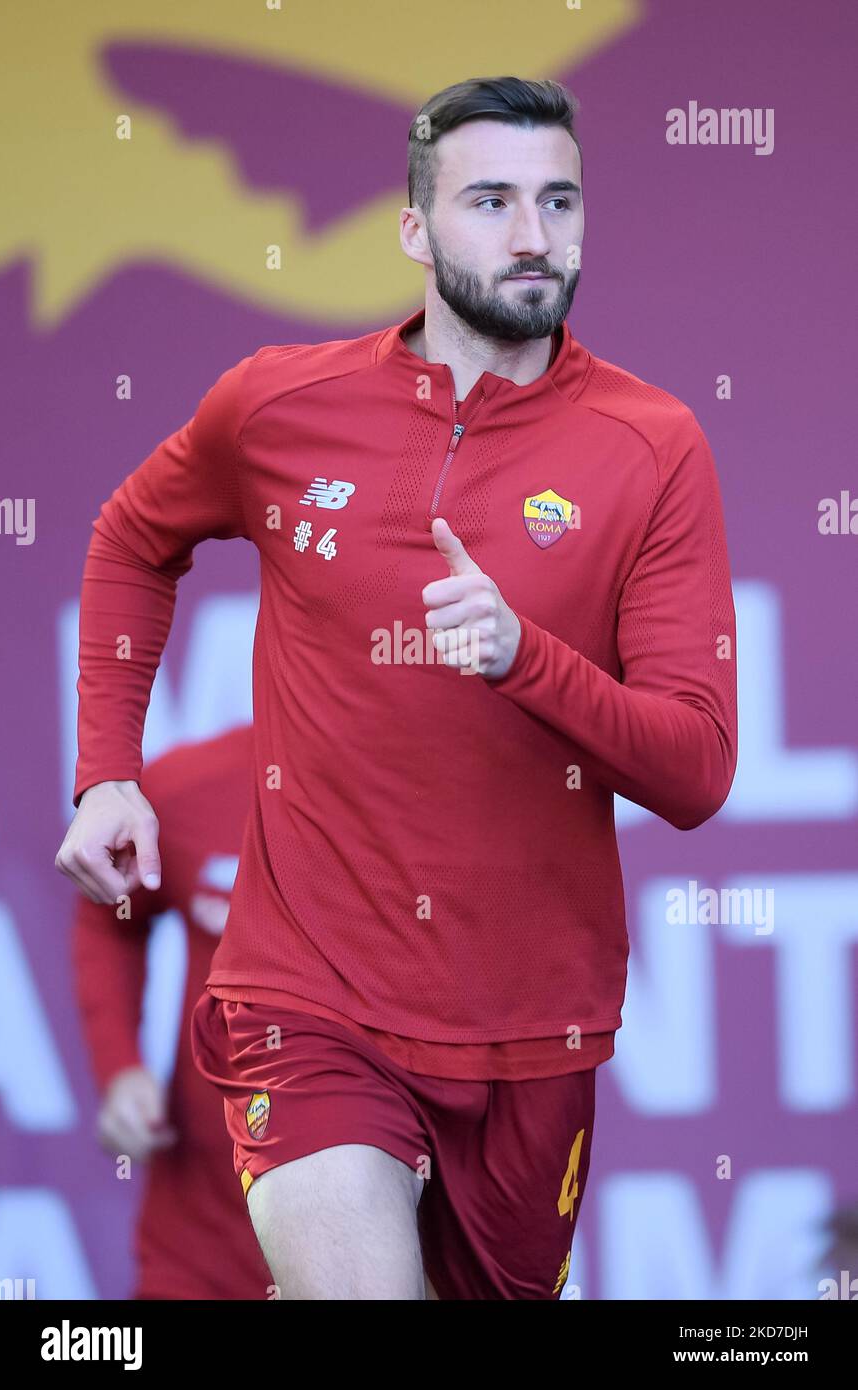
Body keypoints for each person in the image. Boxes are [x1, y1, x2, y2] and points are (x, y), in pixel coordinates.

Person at [55, 75, 738, 1299]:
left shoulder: (656, 443)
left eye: (558, 200)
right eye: (491, 200)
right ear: (415, 230)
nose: (534, 235)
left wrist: (525, 658)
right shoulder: (275, 402)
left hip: (536, 1029)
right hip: (304, 992)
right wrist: (107, 770)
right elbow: (128, 540)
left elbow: (695, 769)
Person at [71, 724, 272, 1299]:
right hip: (197, 1243)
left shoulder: (442, 800)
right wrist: (120, 1068)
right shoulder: (191, 786)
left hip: (384, 1239)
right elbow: (110, 916)